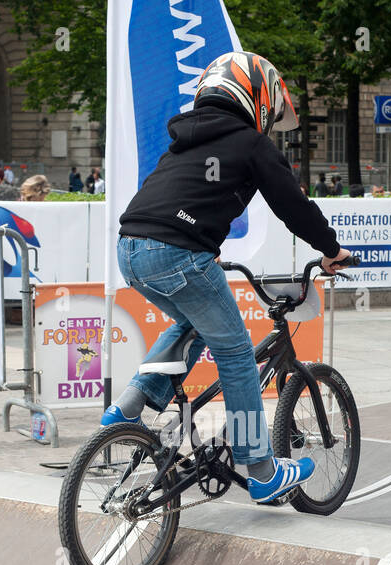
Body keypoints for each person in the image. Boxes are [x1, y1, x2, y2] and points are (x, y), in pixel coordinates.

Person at [109, 50, 352, 504]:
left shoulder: (186, 139)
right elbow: (292, 205)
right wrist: (331, 248)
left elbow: (181, 198)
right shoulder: (250, 143)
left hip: (131, 249)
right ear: (256, 97)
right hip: (177, 252)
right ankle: (261, 469)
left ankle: (129, 406)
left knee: (194, 323)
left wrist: (196, 246)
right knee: (237, 352)